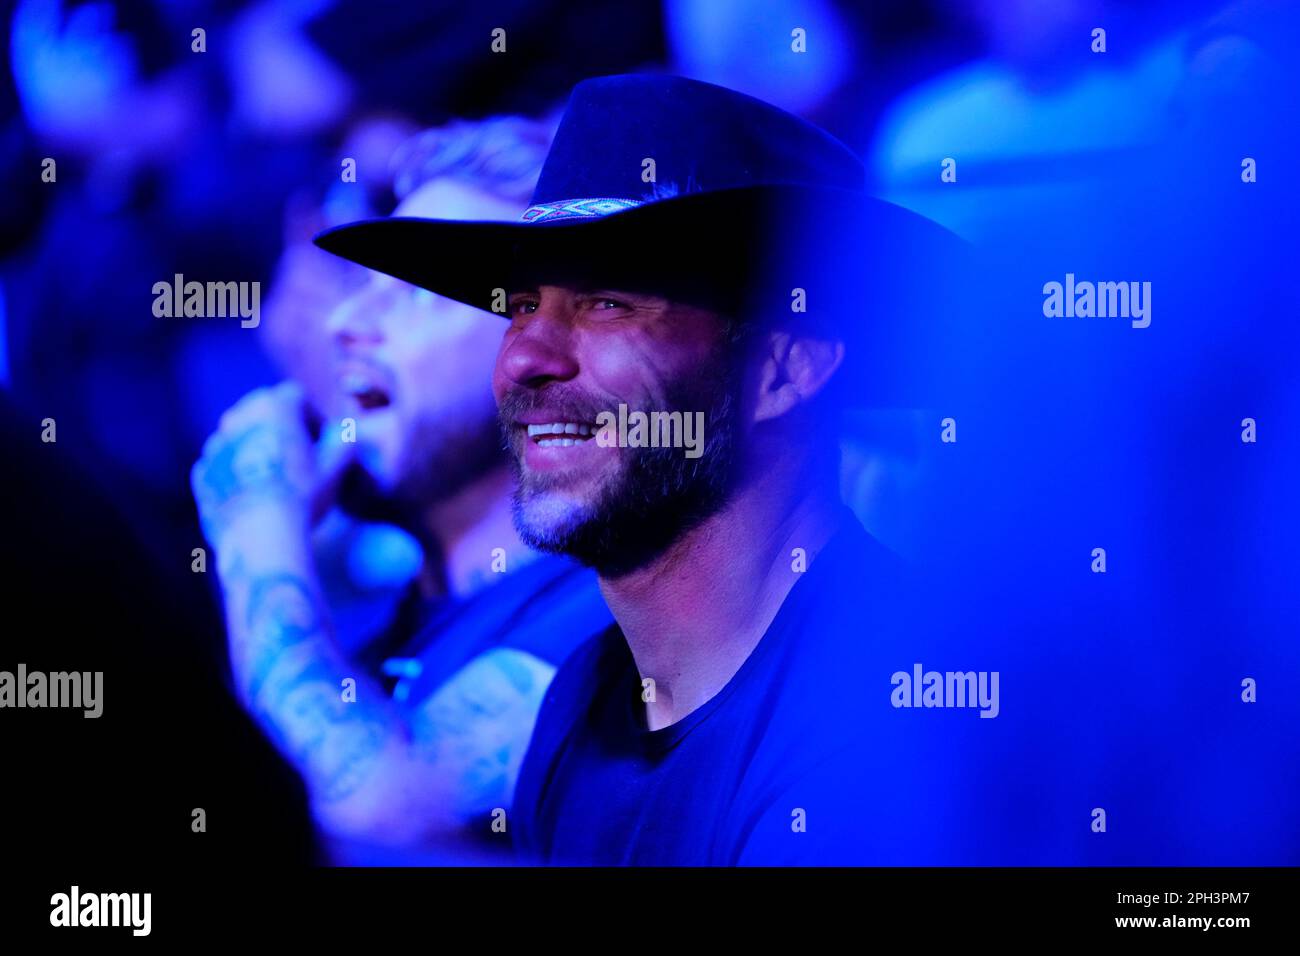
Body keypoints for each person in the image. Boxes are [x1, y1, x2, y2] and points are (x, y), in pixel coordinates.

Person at [315, 74, 979, 864]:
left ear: (783, 369)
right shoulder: (584, 701)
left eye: (608, 304)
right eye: (522, 304)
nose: (524, 357)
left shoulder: (880, 724)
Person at [191, 115, 612, 862]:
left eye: (413, 289)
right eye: (359, 286)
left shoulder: (611, 625)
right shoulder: (366, 637)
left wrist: (259, 531)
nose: (347, 320)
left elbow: (381, 813)